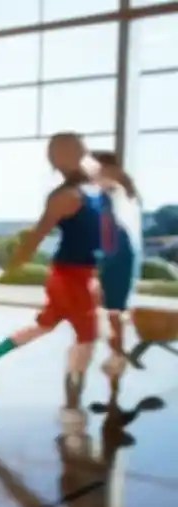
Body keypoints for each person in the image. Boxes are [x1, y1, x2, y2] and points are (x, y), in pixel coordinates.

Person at [0, 133, 111, 405]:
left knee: (45, 325)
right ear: (60, 159)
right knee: (87, 335)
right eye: (74, 151)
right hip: (71, 276)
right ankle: (72, 403)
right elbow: (38, 235)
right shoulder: (65, 196)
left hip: (81, 274)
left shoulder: (92, 191)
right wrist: (15, 263)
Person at [91, 150, 143, 376]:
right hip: (114, 255)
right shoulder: (110, 194)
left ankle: (117, 355)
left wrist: (100, 262)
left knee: (113, 310)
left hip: (118, 257)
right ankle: (117, 353)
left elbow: (115, 232)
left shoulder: (116, 194)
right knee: (110, 310)